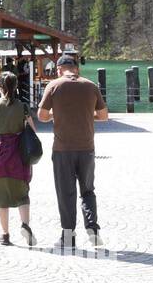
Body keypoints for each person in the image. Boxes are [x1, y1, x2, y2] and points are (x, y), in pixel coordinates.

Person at [37, 55, 109, 250]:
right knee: (87, 191)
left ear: (59, 69)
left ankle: (68, 238)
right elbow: (103, 116)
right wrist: (86, 114)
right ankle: (93, 231)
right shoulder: (91, 85)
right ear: (76, 69)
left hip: (63, 149)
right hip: (87, 148)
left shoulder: (54, 85)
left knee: (66, 193)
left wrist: (57, 114)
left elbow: (42, 116)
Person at [0, 71, 37, 247]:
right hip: (19, 155)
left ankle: (5, 235)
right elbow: (32, 131)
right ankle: (25, 225)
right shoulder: (22, 107)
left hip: (0, 155)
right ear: (15, 86)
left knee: (2, 198)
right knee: (22, 194)